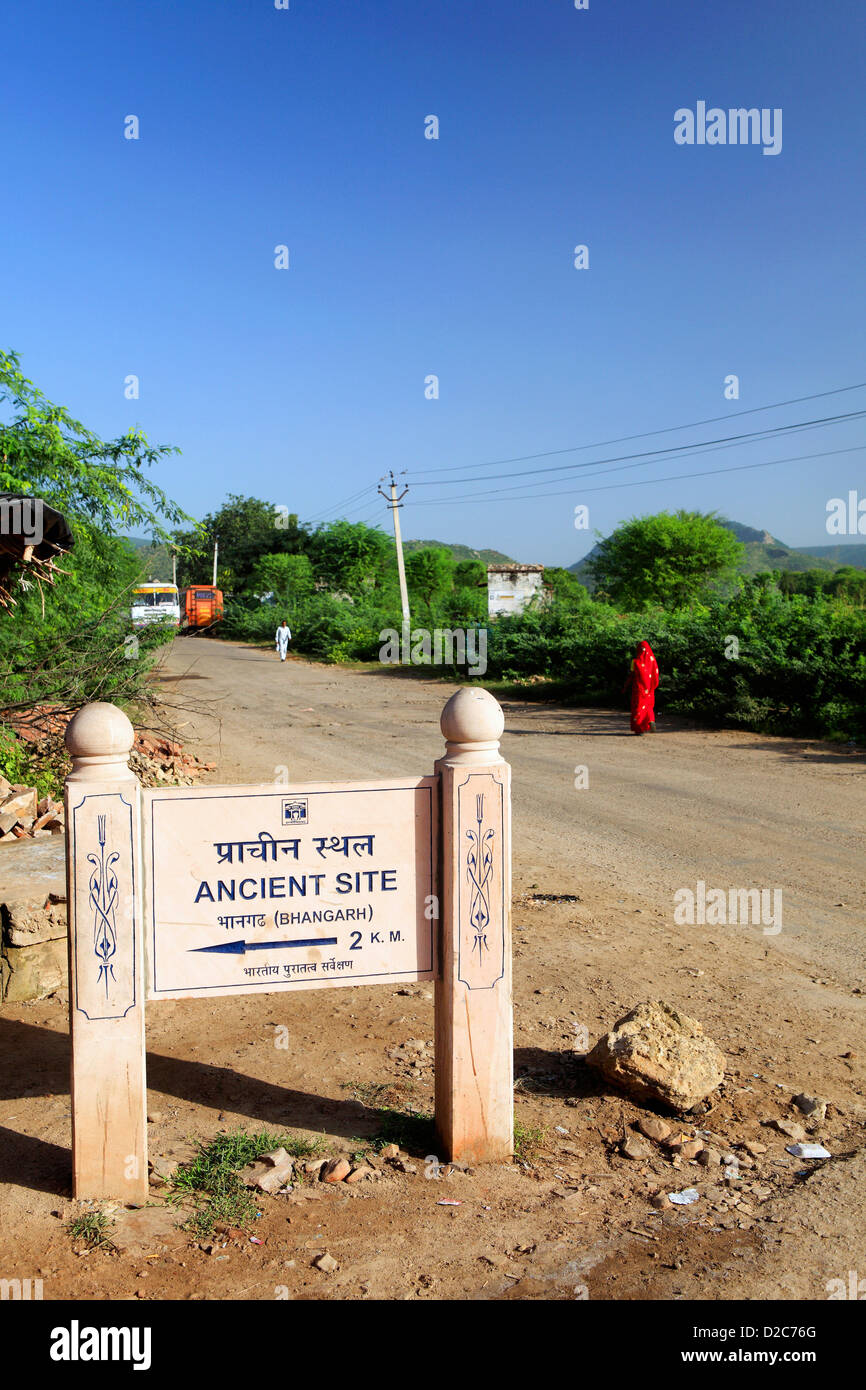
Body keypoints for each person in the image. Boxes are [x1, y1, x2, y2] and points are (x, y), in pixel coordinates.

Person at [623, 640, 659, 735]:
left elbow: (631, 675)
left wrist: (625, 686)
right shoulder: (652, 660)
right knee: (648, 706)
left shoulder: (635, 662)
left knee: (638, 707)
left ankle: (639, 729)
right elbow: (655, 674)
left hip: (638, 688)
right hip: (649, 688)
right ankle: (651, 720)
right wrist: (652, 686)